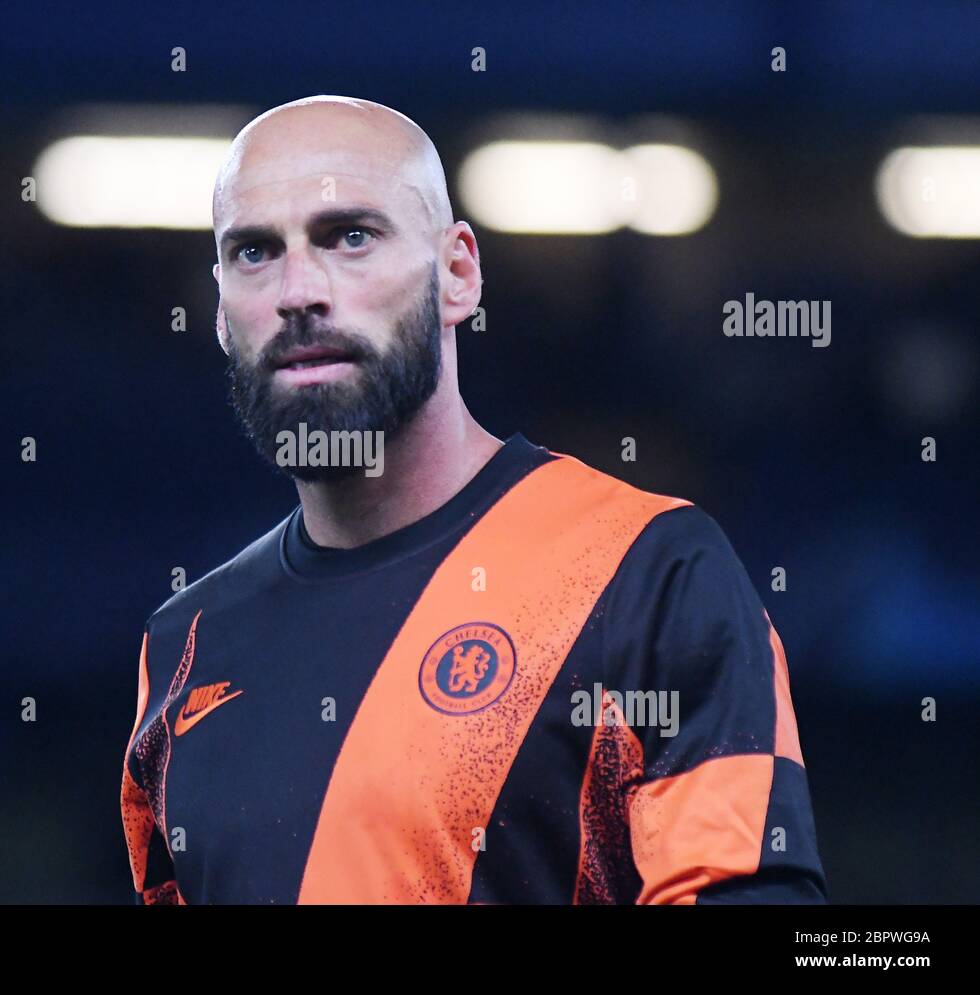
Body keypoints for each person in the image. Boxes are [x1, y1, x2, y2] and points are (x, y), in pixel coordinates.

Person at [119, 95, 826, 904]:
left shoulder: (646, 572)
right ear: (218, 309)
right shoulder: (185, 641)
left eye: (350, 237)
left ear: (457, 273)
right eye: (253, 252)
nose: (297, 290)